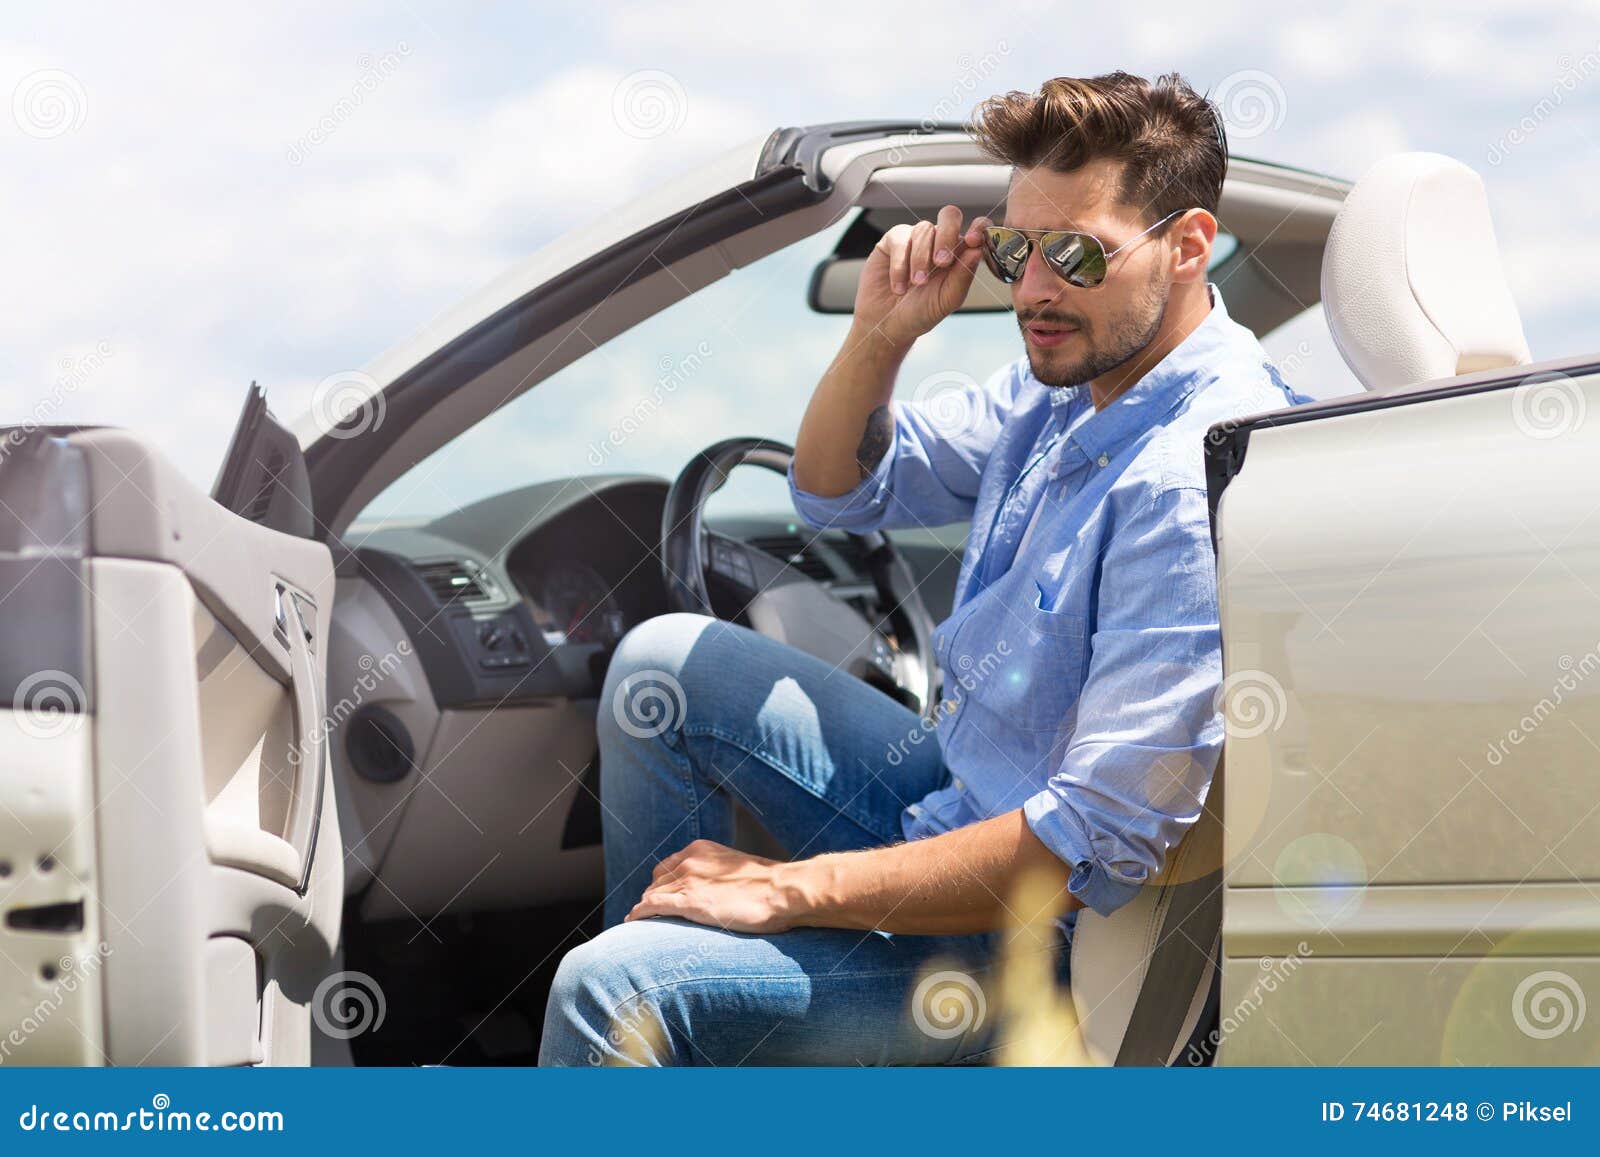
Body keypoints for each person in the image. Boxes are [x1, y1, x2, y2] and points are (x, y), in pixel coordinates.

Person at [540, 70, 1310, 1066]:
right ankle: (676, 1006)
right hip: (959, 799)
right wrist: (882, 334)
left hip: (1032, 940)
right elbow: (835, 488)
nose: (1031, 289)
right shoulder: (1071, 386)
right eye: (1013, 248)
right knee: (664, 664)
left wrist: (786, 886)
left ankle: (657, 1014)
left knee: (611, 986)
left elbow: (1090, 838)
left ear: (1189, 244)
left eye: (1074, 253)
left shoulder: (1182, 479)